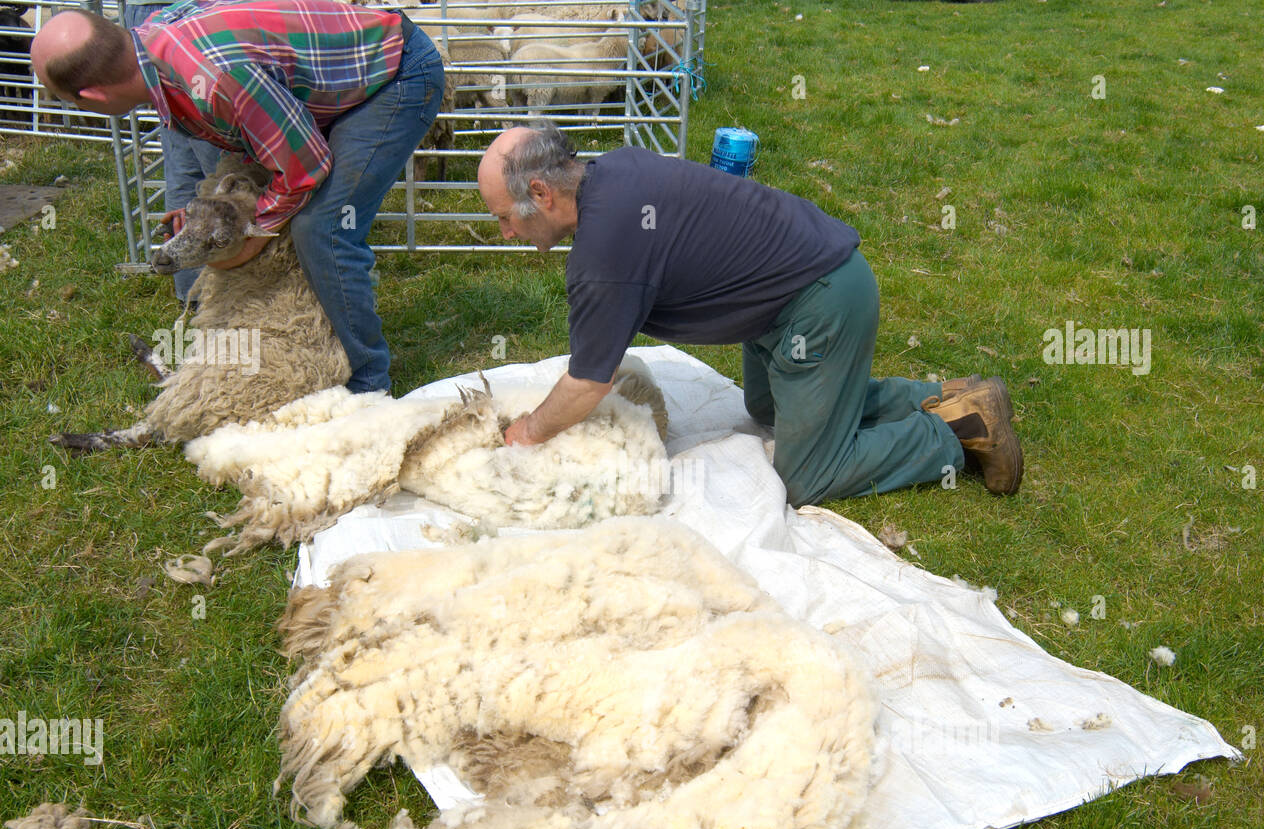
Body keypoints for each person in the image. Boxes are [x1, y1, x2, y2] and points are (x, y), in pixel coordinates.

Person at [477, 123, 1023, 503]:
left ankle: (956, 429)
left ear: (542, 193)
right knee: (766, 408)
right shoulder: (615, 170)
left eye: (505, 217)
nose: (506, 233)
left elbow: (586, 382)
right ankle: (943, 392)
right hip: (802, 287)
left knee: (809, 475)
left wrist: (525, 432)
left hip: (821, 301)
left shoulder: (604, 254)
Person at [30, 0, 445, 394]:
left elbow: (306, 169)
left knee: (322, 227)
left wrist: (247, 238)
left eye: (70, 101)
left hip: (395, 74)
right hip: (328, 83)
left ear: (93, 97)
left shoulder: (214, 80)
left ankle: (368, 385)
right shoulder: (154, 49)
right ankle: (304, 347)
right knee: (279, 207)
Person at [120, 1, 226, 307]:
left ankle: (192, 295)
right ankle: (237, 287)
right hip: (195, 20)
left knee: (184, 159)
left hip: (150, 15)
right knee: (226, 168)